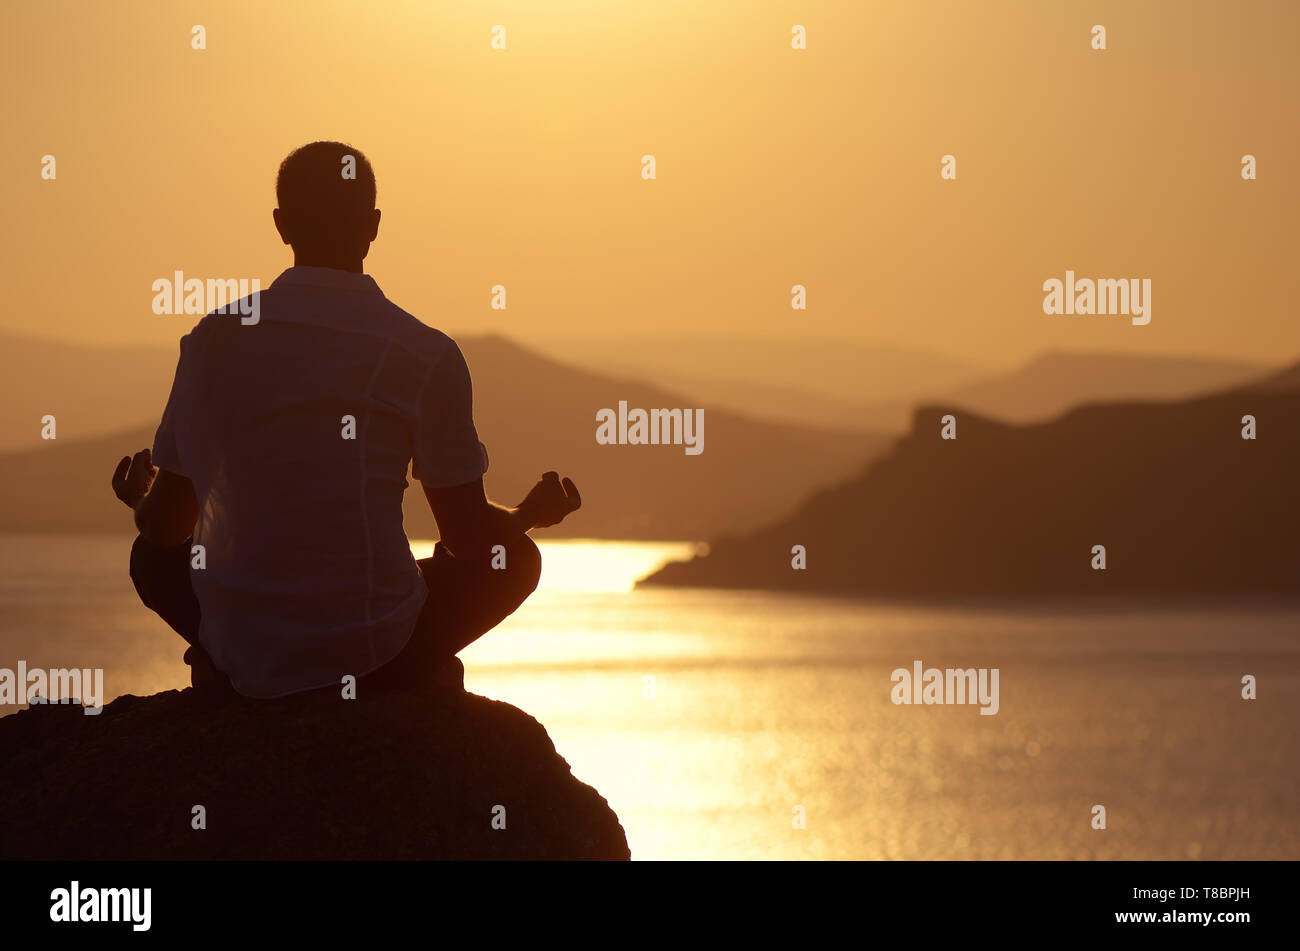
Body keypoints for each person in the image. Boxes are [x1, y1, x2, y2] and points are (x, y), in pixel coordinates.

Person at [112, 140, 580, 700]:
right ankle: (412, 676)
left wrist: (142, 497)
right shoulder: (423, 353)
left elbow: (165, 527)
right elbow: (470, 537)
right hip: (374, 653)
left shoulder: (211, 340)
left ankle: (230, 663)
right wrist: (527, 514)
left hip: (242, 645)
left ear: (282, 226)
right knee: (516, 560)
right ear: (374, 225)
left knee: (151, 557)